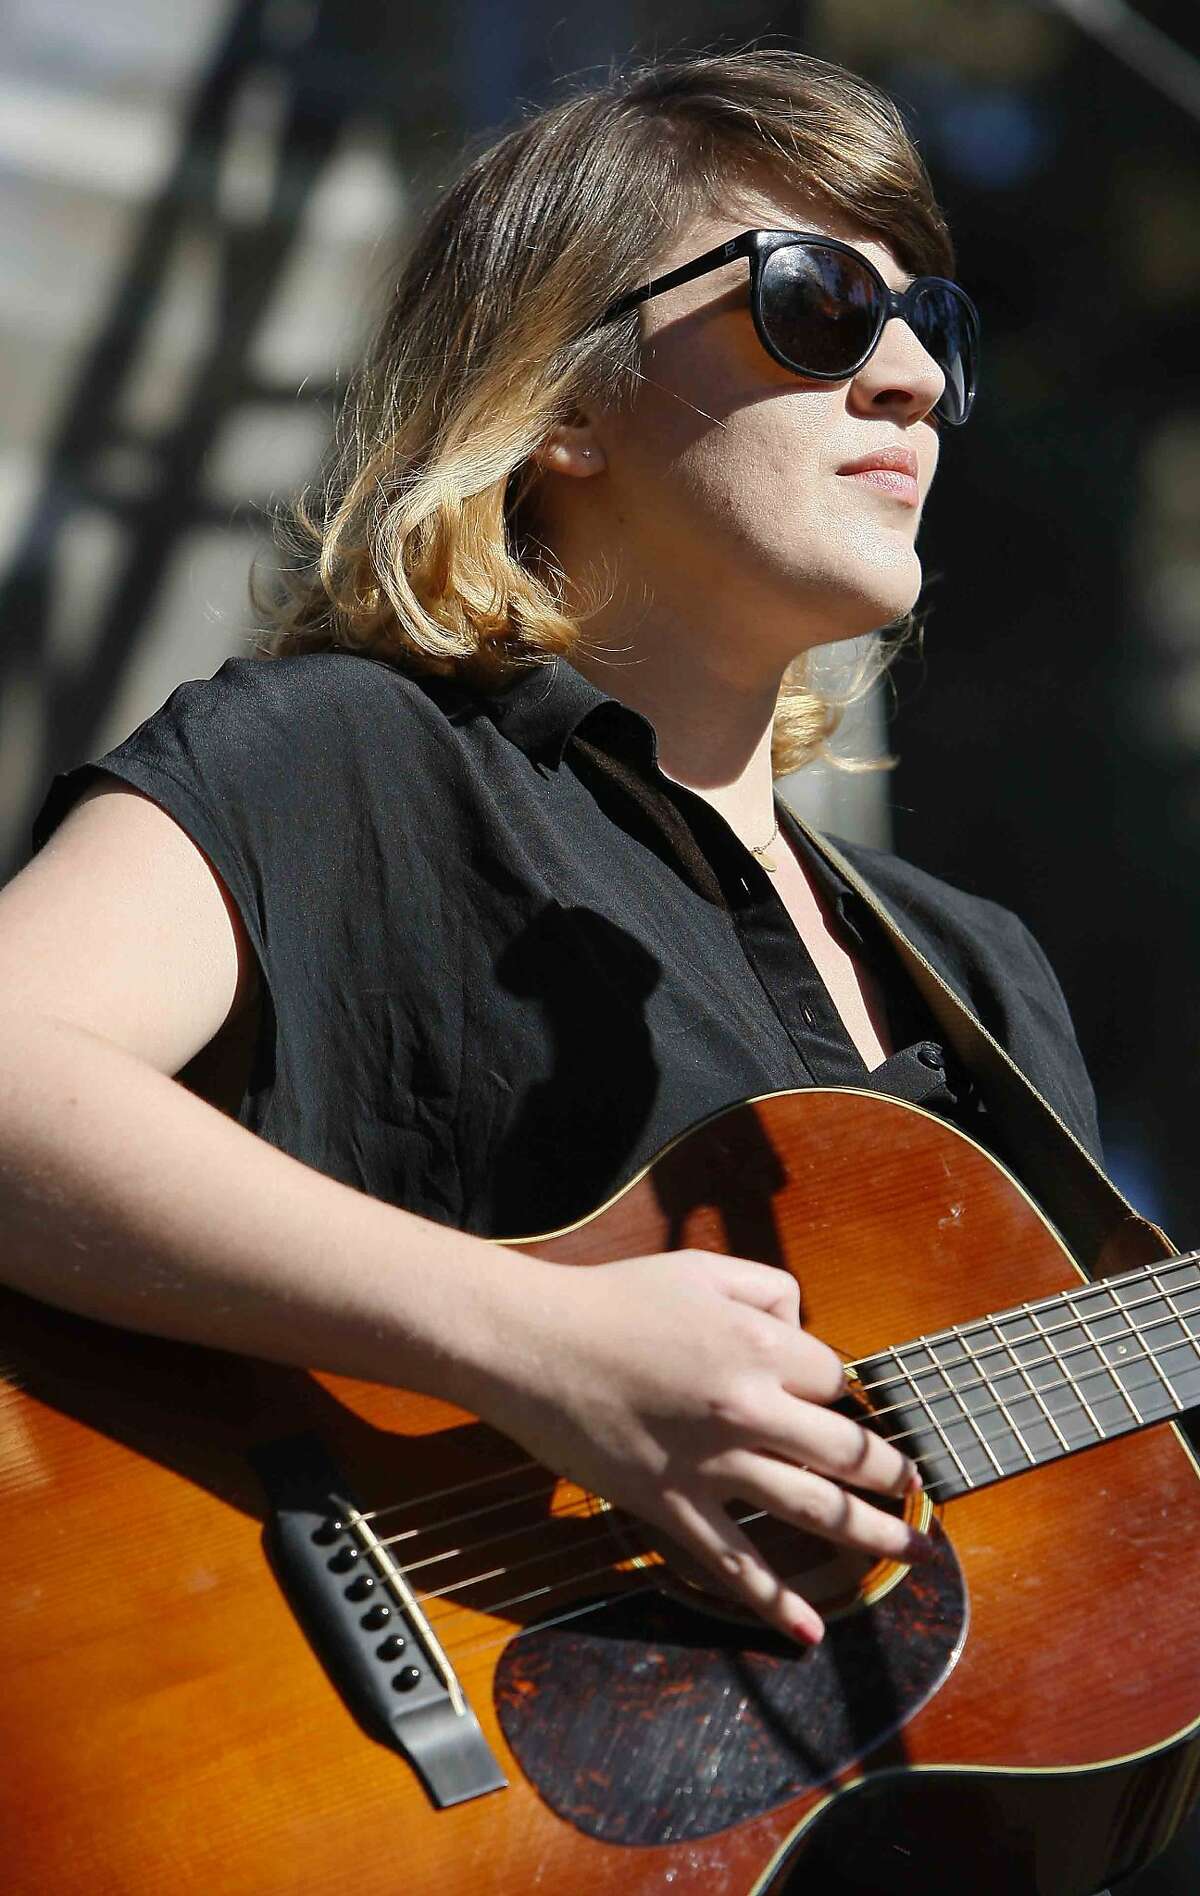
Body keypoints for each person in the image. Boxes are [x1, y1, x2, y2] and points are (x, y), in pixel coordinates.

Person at [0, 50, 1101, 1664]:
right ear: (565, 396)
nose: (912, 379)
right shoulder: (349, 758)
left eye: (934, 326)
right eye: (816, 305)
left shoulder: (983, 974)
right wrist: (538, 1342)